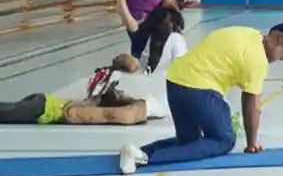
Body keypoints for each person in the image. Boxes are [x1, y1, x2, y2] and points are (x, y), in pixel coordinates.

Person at [118, 23, 283, 174]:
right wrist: (251, 145)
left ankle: (137, 152)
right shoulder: (258, 59)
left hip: (175, 80)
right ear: (280, 38)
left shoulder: (249, 33)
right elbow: (252, 106)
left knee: (189, 142)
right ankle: (146, 158)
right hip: (199, 88)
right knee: (224, 140)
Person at [0, 54, 172, 126]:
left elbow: (121, 114)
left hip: (48, 107)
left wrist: (75, 113)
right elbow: (130, 63)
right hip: (47, 106)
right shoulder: (154, 87)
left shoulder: (158, 98)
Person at [134, 0, 191, 73]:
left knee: (176, 37)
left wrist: (175, 8)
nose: (182, 3)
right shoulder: (160, 13)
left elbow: (181, 26)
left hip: (164, 60)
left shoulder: (175, 15)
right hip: (153, 59)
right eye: (180, 0)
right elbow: (144, 31)